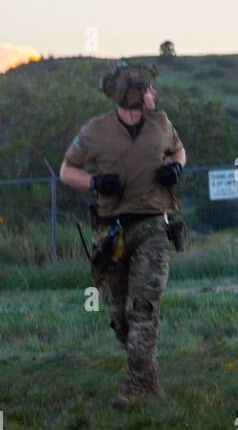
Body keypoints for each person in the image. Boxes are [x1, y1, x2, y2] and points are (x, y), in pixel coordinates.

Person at [59, 62, 187, 405]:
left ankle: (135, 386)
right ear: (132, 95)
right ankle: (149, 376)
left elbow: (178, 149)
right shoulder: (94, 131)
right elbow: (66, 170)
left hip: (153, 226)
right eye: (148, 89)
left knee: (143, 306)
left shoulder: (161, 123)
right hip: (111, 234)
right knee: (120, 318)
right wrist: (94, 182)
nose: (154, 94)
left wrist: (176, 166)